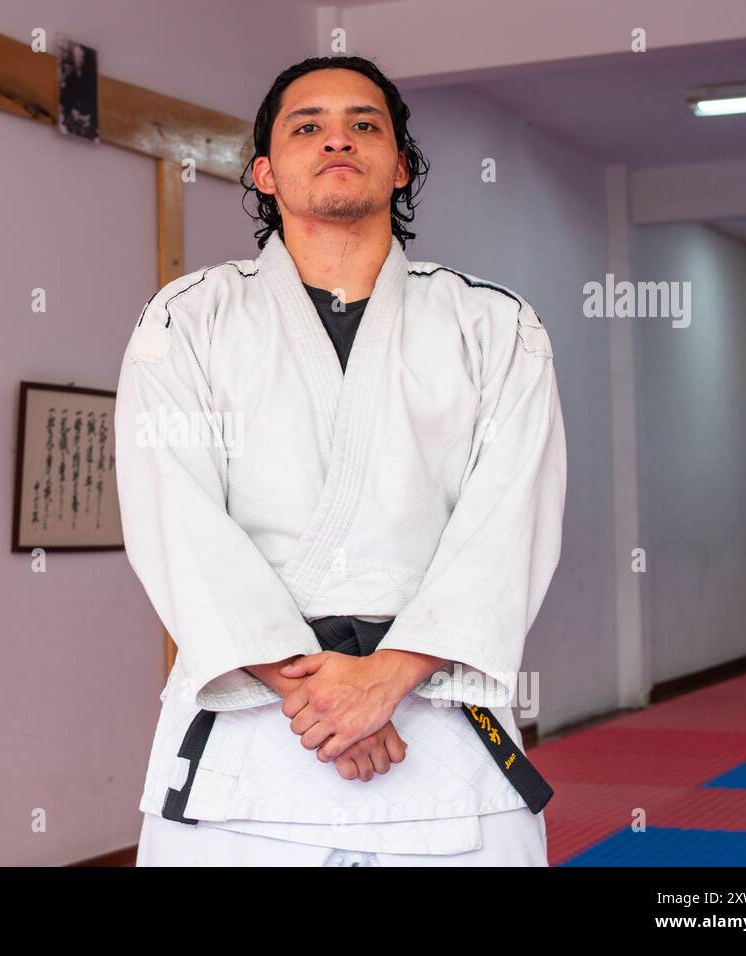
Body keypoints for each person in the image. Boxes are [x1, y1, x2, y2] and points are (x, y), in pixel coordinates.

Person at [114, 55, 567, 866]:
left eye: (365, 125)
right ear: (263, 169)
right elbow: (175, 520)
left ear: (400, 167)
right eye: (307, 125)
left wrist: (386, 679)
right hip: (252, 729)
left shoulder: (494, 326)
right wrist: (324, 698)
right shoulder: (187, 320)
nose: (338, 140)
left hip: (437, 719)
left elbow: (510, 521)